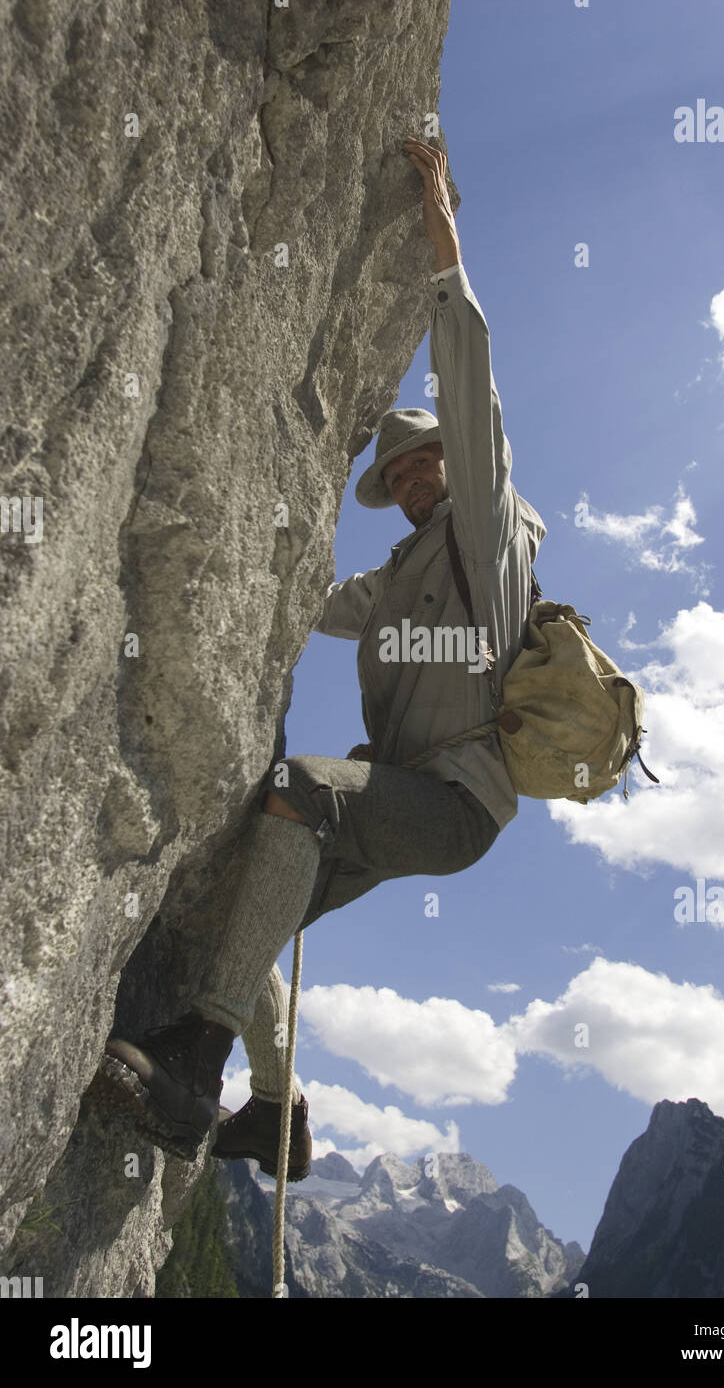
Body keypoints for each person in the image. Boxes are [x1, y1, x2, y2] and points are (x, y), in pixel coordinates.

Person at [94, 136, 546, 1183]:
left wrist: (441, 228)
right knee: (240, 894)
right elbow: (296, 601)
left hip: (452, 810)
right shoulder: (392, 580)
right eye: (400, 472)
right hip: (392, 797)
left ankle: (190, 1066)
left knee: (296, 789)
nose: (419, 477)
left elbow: (468, 374)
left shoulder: (489, 531)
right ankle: (276, 1109)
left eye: (426, 457)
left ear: (453, 460)